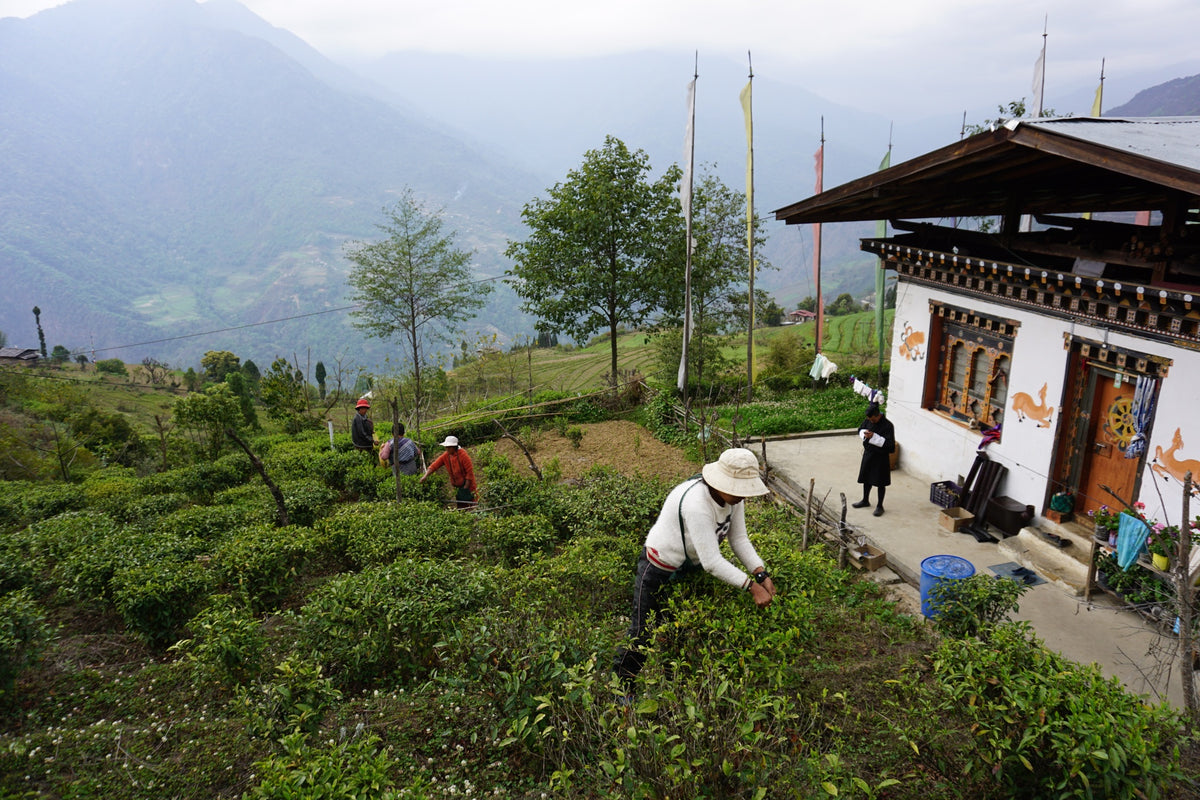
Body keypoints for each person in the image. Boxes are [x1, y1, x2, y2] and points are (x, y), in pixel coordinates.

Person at [614, 447, 777, 693]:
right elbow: (711, 562)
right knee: (642, 632)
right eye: (739, 489)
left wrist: (760, 573)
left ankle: (673, 685)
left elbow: (739, 538)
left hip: (688, 568)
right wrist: (752, 587)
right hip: (658, 568)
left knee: (677, 629)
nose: (743, 495)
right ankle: (622, 688)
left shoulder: (734, 499)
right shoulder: (697, 504)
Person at [852, 402, 895, 517]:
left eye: (872, 419)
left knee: (881, 482)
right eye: (869, 419)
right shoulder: (868, 421)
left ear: (878, 415)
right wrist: (864, 434)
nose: (870, 421)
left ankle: (880, 506)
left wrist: (874, 438)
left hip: (881, 457)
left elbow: (891, 446)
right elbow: (860, 429)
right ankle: (865, 500)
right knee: (866, 479)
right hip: (868, 454)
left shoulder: (887, 426)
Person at [420, 435, 477, 508]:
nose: (447, 449)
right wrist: (425, 476)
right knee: (462, 507)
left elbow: (469, 472)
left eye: (448, 447)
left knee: (471, 505)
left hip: (468, 486)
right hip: (458, 486)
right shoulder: (446, 455)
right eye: (446, 447)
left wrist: (465, 487)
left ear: (454, 447)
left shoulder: (463, 455)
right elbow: (435, 465)